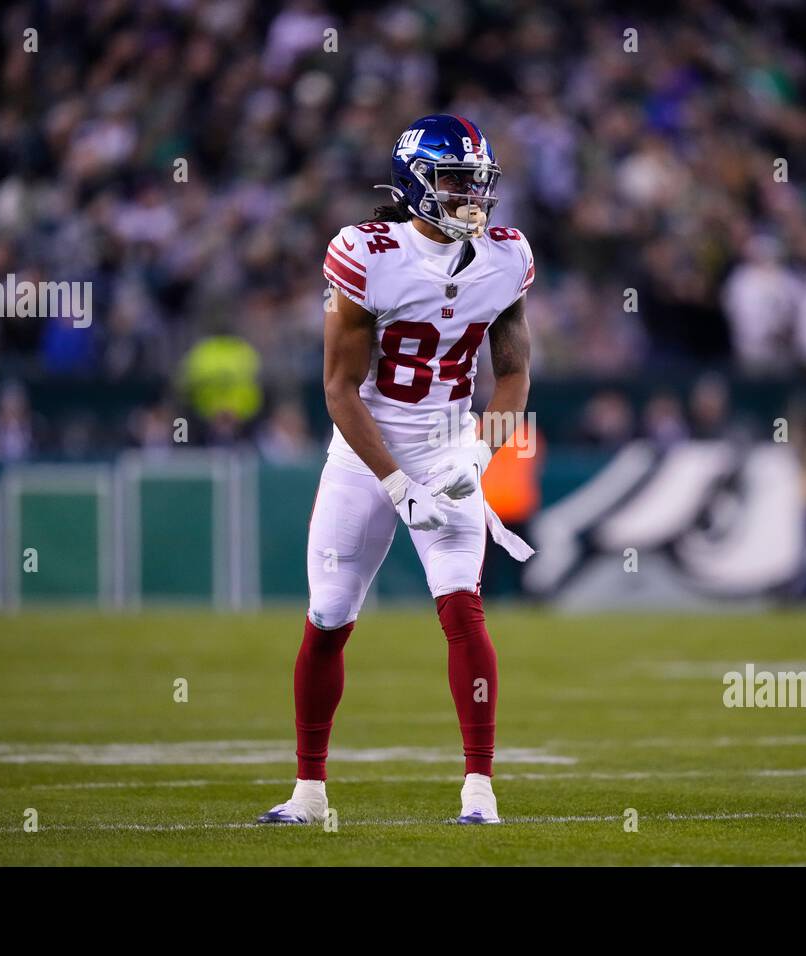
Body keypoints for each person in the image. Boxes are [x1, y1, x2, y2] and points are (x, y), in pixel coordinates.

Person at [258, 115, 535, 826]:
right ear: (417, 182)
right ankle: (309, 793)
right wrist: (395, 484)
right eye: (455, 181)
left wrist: (477, 452)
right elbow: (339, 391)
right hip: (365, 448)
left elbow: (513, 374)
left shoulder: (505, 258)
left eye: (479, 182)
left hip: (447, 444)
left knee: (462, 609)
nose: (472, 196)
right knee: (327, 616)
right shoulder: (366, 253)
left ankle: (480, 792)